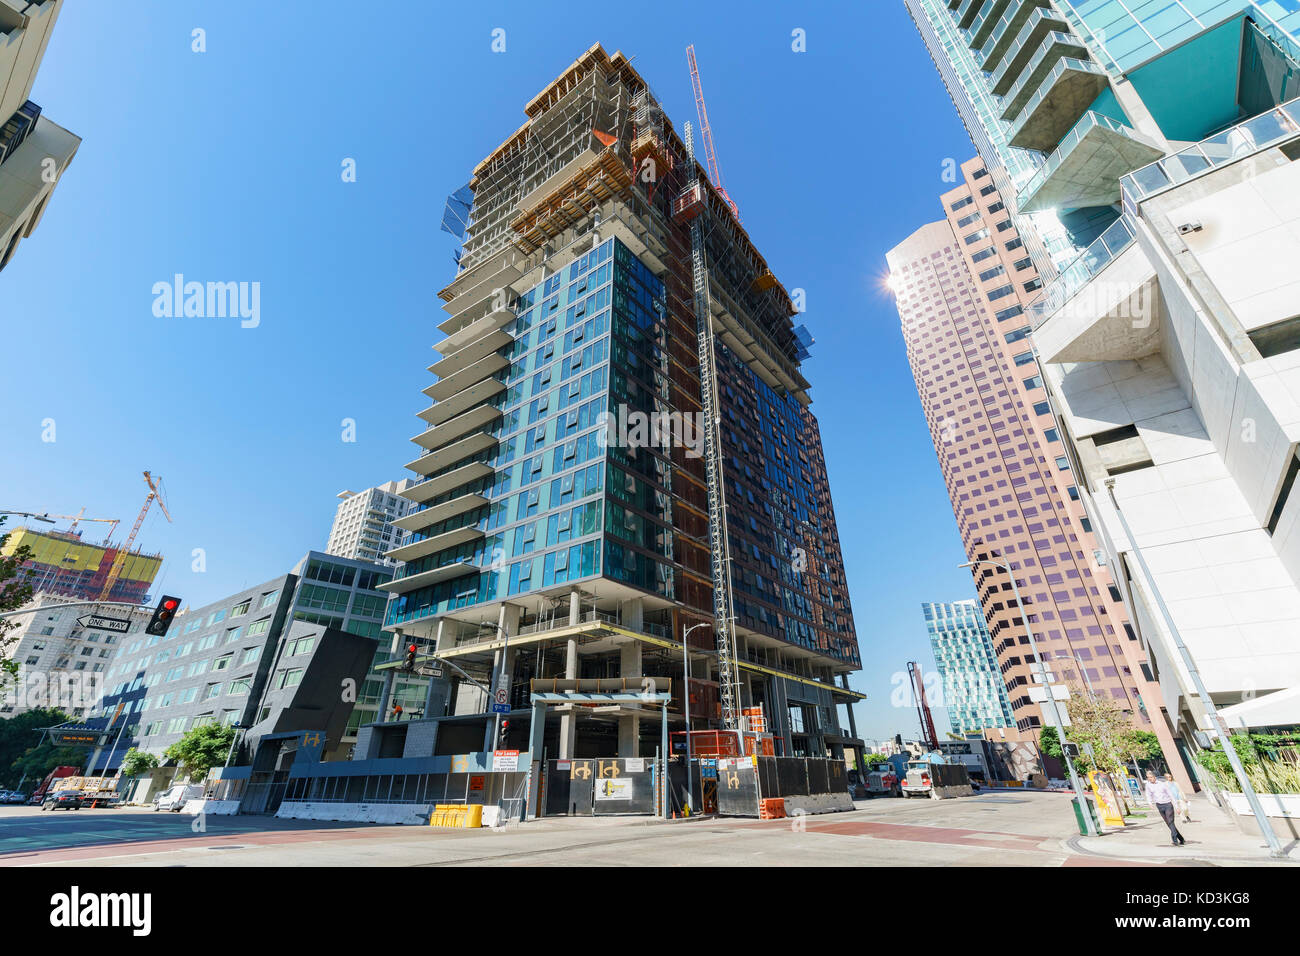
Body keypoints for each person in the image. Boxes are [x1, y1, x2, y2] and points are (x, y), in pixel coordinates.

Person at [1145, 769, 1185, 846]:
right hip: (1159, 806)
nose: (1149, 779)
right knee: (1169, 823)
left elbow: (1171, 795)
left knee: (1170, 821)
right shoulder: (1148, 785)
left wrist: (1177, 807)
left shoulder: (1162, 784)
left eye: (1151, 777)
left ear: (1154, 777)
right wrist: (1150, 803)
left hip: (1168, 805)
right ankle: (1181, 838)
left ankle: (1174, 839)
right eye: (1148, 777)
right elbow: (1148, 794)